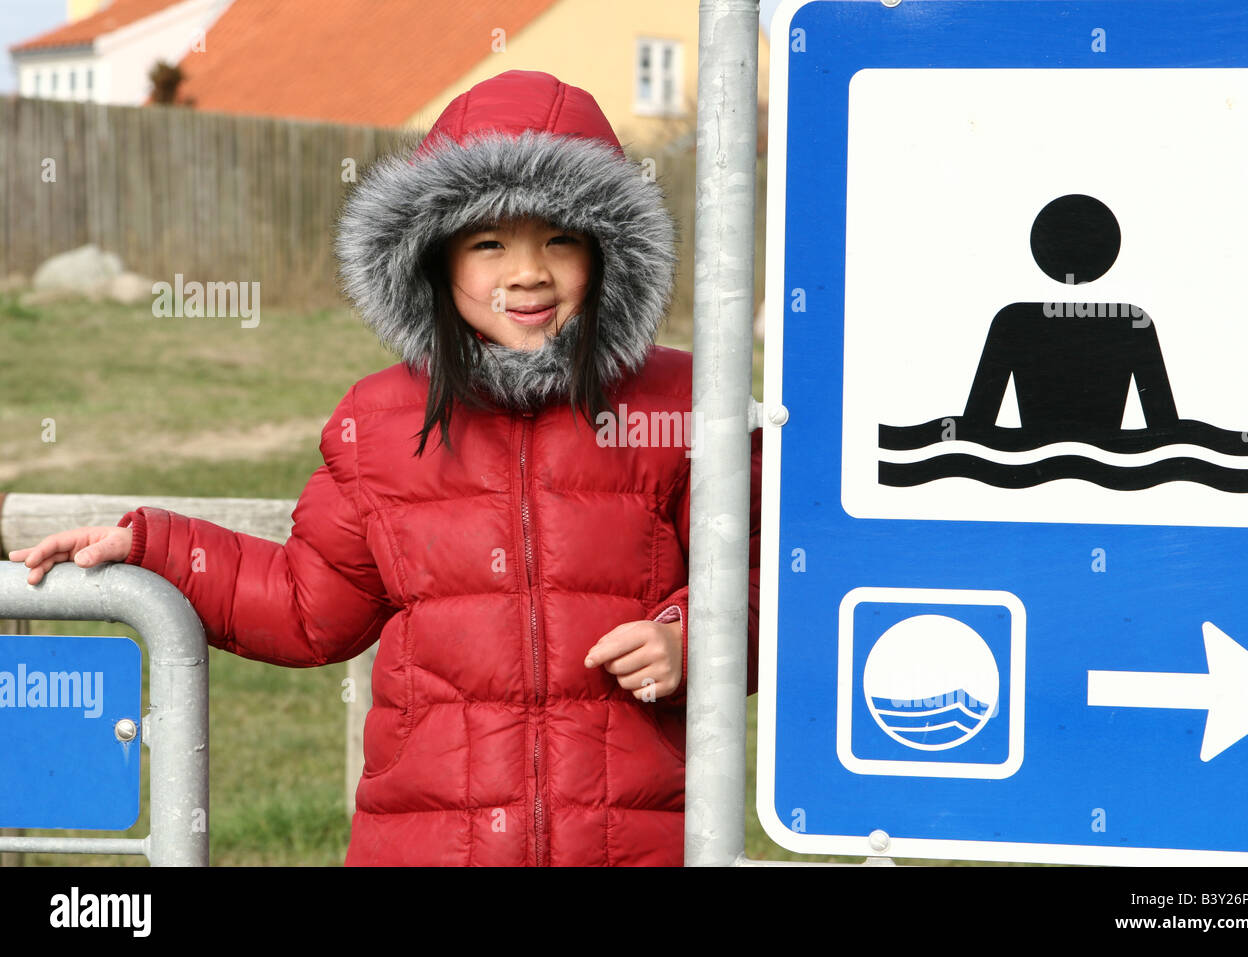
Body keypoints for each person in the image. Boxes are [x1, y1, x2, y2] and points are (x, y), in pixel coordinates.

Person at [7, 70, 762, 866]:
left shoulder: (682, 401)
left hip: (630, 843)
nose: (528, 272)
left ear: (608, 250)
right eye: (489, 242)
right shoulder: (380, 422)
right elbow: (307, 605)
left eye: (561, 237)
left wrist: (692, 638)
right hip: (431, 843)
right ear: (434, 258)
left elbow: (764, 579)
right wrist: (155, 546)